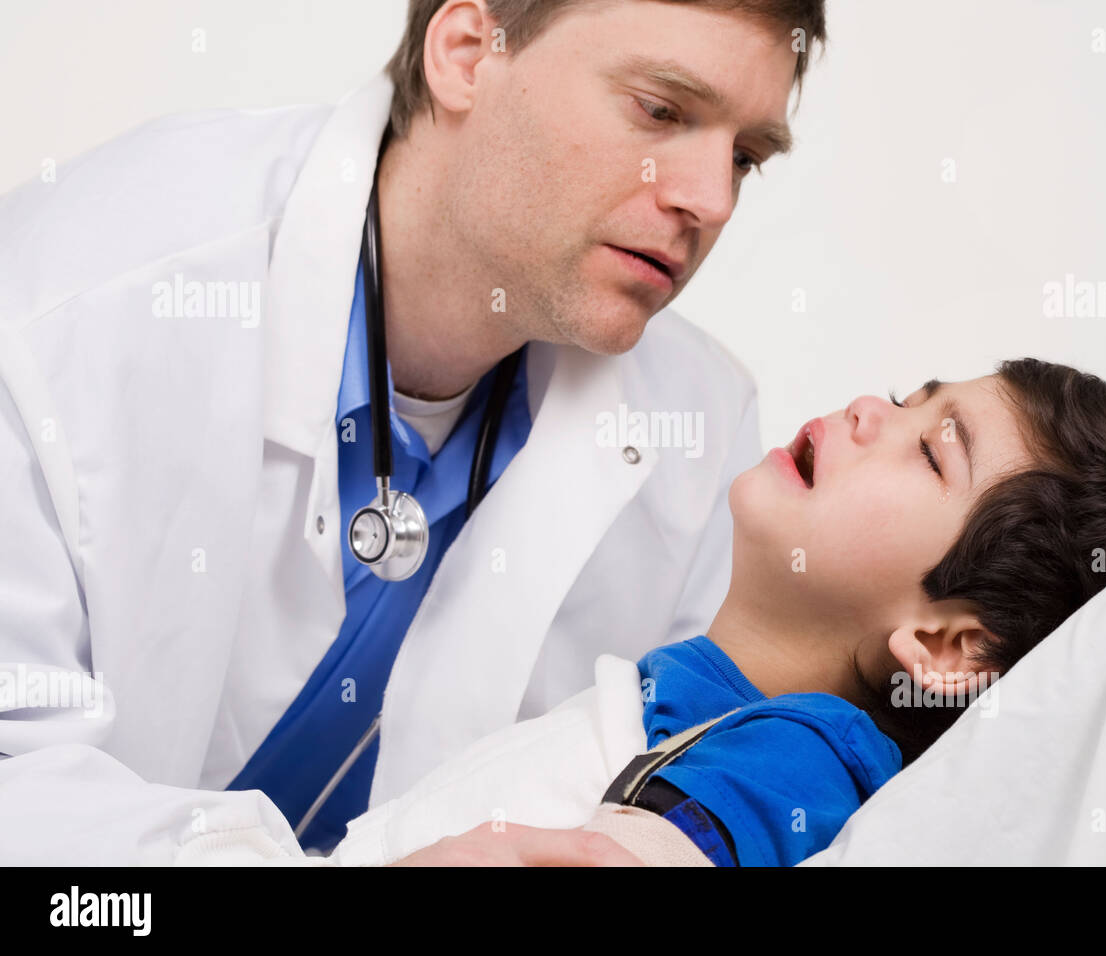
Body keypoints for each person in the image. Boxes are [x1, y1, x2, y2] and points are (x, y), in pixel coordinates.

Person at [0, 0, 828, 864]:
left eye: (745, 157)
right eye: (660, 111)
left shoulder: (702, 426)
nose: (711, 200)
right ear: (468, 54)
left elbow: (708, 781)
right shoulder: (72, 301)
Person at [491, 358, 1106, 866]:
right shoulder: (684, 699)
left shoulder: (807, 754)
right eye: (901, 399)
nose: (866, 412)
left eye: (929, 451)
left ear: (947, 646)